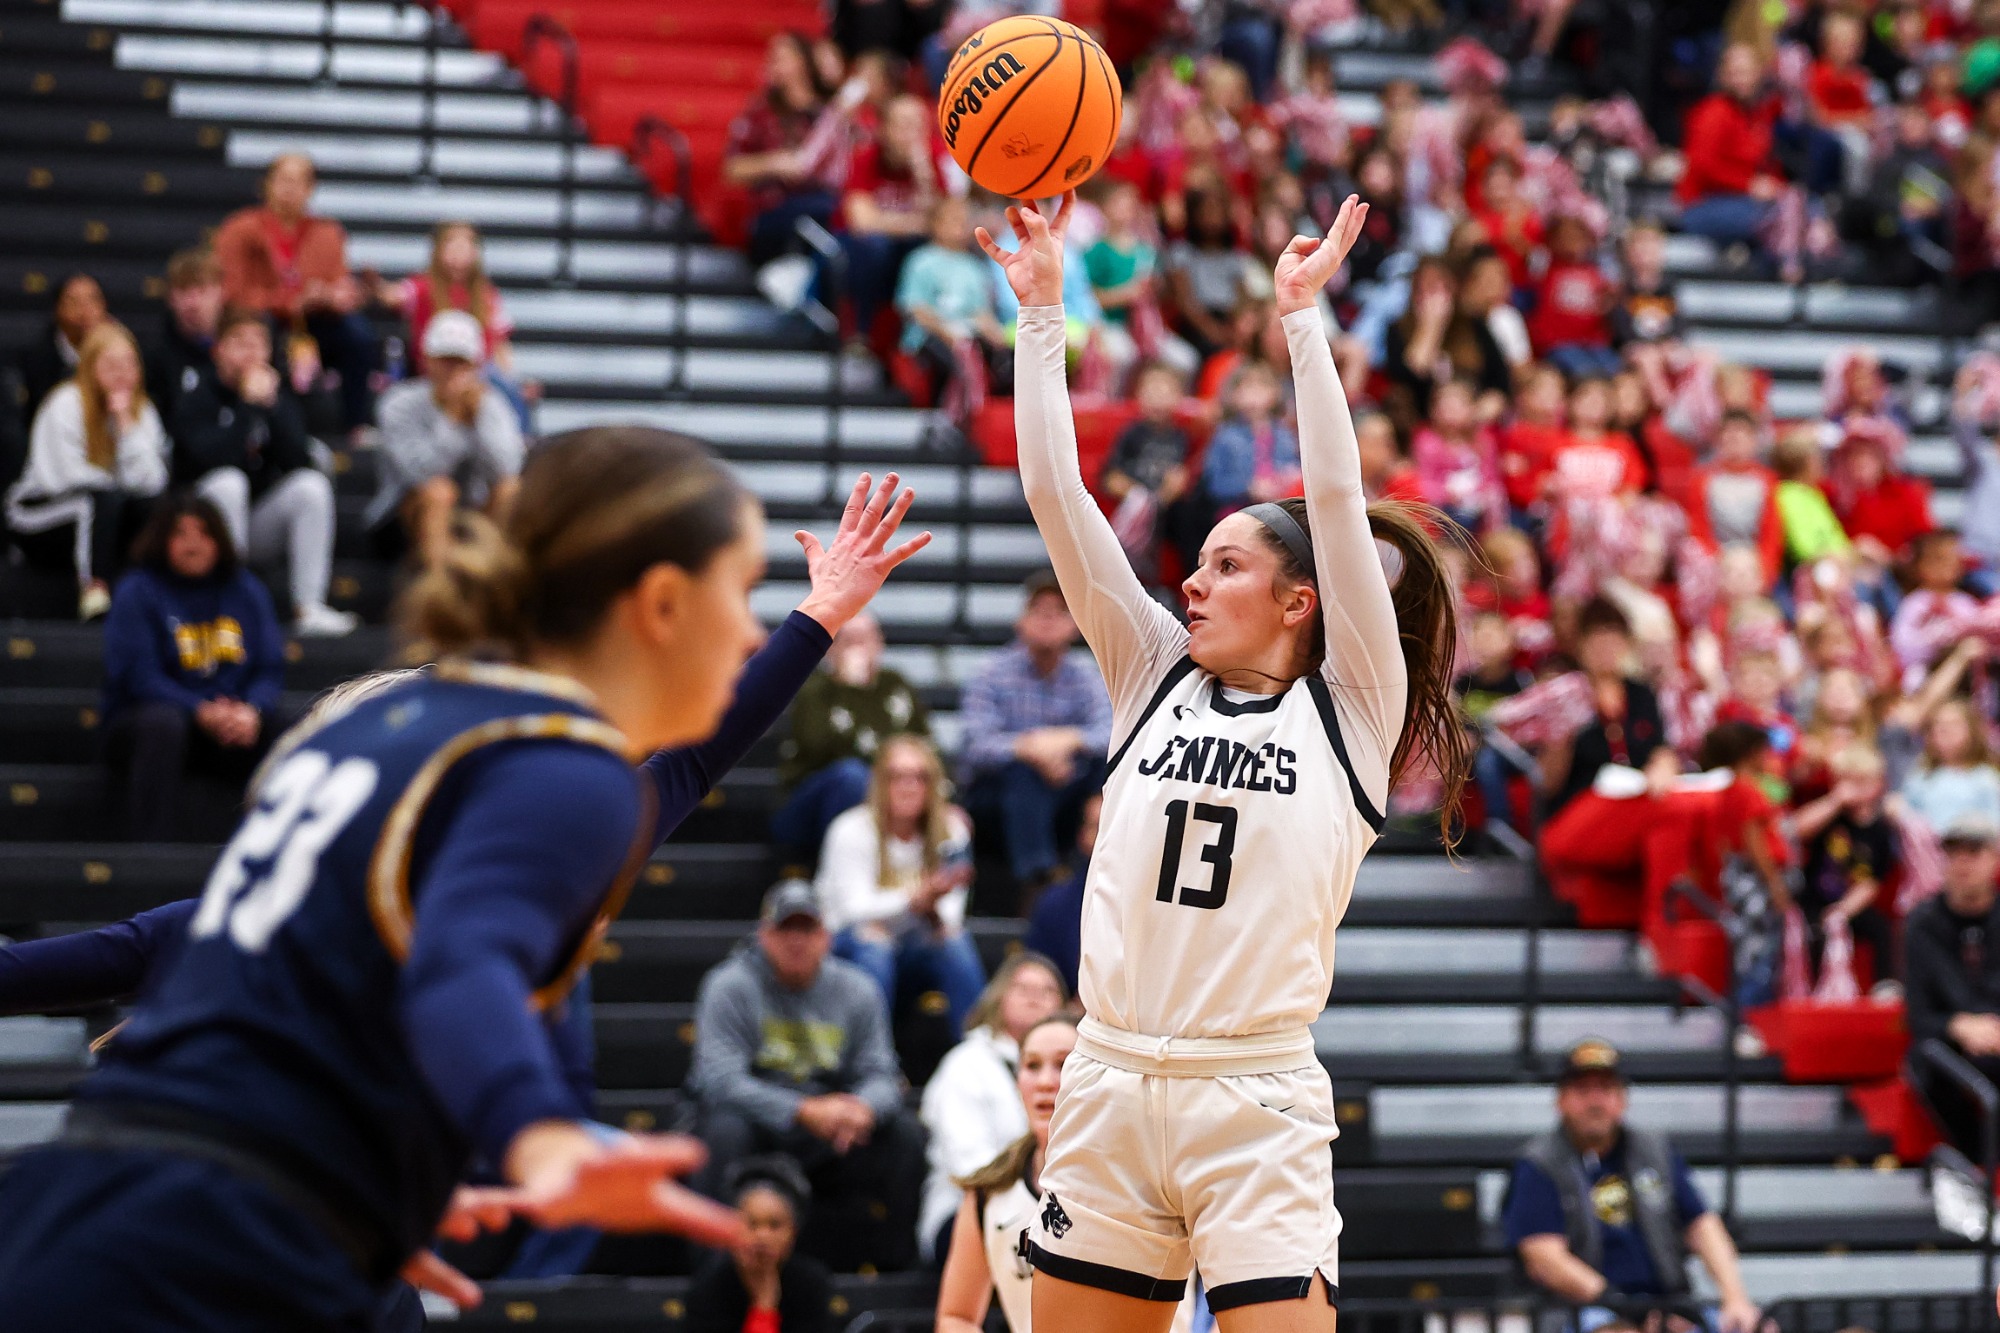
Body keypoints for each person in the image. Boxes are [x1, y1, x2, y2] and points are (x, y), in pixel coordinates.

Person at [0, 426, 935, 1328]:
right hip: (210, 1244)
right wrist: (543, 1133)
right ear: (658, 605)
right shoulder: (549, 764)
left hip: (101, 1208)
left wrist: (355, 1172)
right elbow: (462, 966)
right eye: (740, 593)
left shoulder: (390, 733)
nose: (745, 632)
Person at [984, 192, 1469, 1329]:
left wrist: (1301, 321)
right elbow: (1056, 497)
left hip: (1251, 1096)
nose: (1189, 584)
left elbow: (1338, 499)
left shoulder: (1350, 705)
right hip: (1105, 1079)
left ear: (1300, 602)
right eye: (1193, 565)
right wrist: (1043, 314)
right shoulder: (1147, 670)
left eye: (1225, 565)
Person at [687, 881, 927, 1272]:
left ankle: (895, 1271)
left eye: (808, 929)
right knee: (722, 1131)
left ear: (827, 937)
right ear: (764, 936)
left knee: (903, 1135)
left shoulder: (858, 990)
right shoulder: (729, 985)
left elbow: (883, 1073)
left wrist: (864, 1108)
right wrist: (802, 1110)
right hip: (759, 1122)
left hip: (833, 1130)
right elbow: (719, 1080)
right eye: (786, 930)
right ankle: (714, 1271)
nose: (796, 941)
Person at [1502, 1040, 1762, 1333]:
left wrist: (1734, 1296)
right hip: (1583, 1310)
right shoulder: (1539, 1164)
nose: (1595, 1101)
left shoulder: (1654, 1151)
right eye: (1582, 1091)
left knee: (1760, 1326)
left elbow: (1702, 1225)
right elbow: (1545, 1259)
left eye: (1606, 1089)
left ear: (1623, 1100)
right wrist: (1627, 1310)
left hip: (1669, 1303)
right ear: (1560, 1101)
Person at [100, 493, 288, 841]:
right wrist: (199, 711)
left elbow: (269, 668)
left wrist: (252, 710)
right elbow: (138, 676)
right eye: (180, 535)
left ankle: (274, 848)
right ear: (160, 540)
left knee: (287, 726)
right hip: (150, 725)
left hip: (229, 727)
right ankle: (151, 853)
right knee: (163, 724)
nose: (193, 545)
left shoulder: (246, 590)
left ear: (220, 541)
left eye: (204, 534)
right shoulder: (137, 590)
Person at [172, 310, 355, 637]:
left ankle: (309, 607)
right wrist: (248, 408)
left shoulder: (276, 396)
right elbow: (205, 460)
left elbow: (299, 459)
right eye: (240, 343)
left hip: (255, 523)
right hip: (200, 526)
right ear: (218, 350)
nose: (251, 353)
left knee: (311, 487)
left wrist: (273, 409)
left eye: (259, 344)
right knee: (230, 483)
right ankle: (231, 605)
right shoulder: (197, 393)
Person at [958, 570, 1114, 893]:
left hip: (1067, 785)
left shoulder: (1086, 676)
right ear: (1021, 621)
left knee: (1106, 772)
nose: (1048, 621)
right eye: (1039, 611)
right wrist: (1028, 749)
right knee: (1024, 775)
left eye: (1058, 612)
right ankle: (1038, 884)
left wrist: (1064, 741)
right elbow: (975, 743)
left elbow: (1110, 732)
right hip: (998, 796)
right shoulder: (991, 671)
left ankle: (1106, 877)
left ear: (1074, 625)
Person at [815, 733, 981, 1030]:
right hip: (845, 949)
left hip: (913, 948)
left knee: (955, 943)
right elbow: (853, 911)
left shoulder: (952, 831)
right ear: (880, 783)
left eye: (920, 777)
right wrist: (915, 900)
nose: (909, 787)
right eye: (897, 777)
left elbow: (951, 917)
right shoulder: (850, 829)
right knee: (873, 944)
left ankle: (981, 1050)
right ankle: (874, 1064)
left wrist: (930, 908)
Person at [4, 322, 169, 620]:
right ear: (90, 367)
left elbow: (153, 482)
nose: (122, 373)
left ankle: (146, 599)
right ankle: (94, 594)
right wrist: (117, 489)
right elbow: (61, 478)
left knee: (149, 507)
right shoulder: (64, 403)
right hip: (35, 515)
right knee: (97, 502)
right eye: (111, 364)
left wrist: (126, 427)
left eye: (129, 364)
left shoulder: (142, 412)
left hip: (103, 511)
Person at [918, 952, 1069, 1264]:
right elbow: (972, 1169)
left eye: (1047, 991)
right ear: (998, 996)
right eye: (1023, 989)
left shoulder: (1081, 1067)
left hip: (1058, 1207)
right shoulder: (965, 1064)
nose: (1035, 999)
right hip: (968, 1210)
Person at [213, 152, 379, 432]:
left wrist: (335, 296)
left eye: (298, 182)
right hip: (262, 317)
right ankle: (264, 418)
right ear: (267, 185)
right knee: (260, 332)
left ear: (310, 189)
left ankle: (355, 422)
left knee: (358, 336)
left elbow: (338, 282)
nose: (289, 189)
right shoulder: (240, 228)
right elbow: (233, 291)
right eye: (283, 180)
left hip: (314, 320)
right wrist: (289, 302)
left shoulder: (327, 232)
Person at [368, 311, 526, 565]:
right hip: (403, 516)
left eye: (461, 362)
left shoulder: (491, 404)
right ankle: (440, 590)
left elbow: (508, 468)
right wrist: (454, 419)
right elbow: (419, 473)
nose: (453, 371)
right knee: (440, 492)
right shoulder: (398, 403)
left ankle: (494, 577)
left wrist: (480, 417)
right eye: (445, 360)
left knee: (510, 492)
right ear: (428, 360)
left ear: (476, 366)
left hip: (474, 507)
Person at [772, 610, 928, 855]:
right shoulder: (816, 690)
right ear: (831, 649)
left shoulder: (895, 684)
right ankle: (842, 868)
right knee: (852, 776)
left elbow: (923, 745)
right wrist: (847, 688)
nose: (859, 648)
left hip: (884, 794)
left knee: (914, 782)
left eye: (866, 639)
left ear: (880, 644)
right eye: (849, 640)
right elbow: (818, 748)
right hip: (809, 802)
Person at [374, 221, 534, 433]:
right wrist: (377, 288)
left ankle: (521, 440)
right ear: (438, 250)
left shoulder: (487, 294)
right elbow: (395, 296)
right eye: (452, 245)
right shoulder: (422, 286)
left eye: (466, 246)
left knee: (510, 391)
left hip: (478, 373)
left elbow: (500, 344)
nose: (459, 253)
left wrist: (512, 379)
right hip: (433, 371)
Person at [1905, 814, 2000, 1159]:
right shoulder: (1923, 923)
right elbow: (1917, 1016)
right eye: (1953, 853)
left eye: (1973, 852)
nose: (1962, 864)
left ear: (1994, 858)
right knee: (1934, 1063)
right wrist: (1958, 1026)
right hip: (1947, 1050)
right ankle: (1979, 1168)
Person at [684, 1158, 834, 1333]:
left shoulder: (811, 1284)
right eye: (752, 1224)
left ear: (793, 1231)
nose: (762, 1236)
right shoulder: (708, 1288)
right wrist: (763, 1307)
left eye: (775, 1225)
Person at [1022, 794, 1102, 996]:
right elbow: (1038, 969)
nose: (1107, 837)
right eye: (1098, 827)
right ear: (1082, 836)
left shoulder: (1155, 903)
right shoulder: (1055, 903)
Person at [12, 272, 108, 427]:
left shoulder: (121, 354)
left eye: (92, 300)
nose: (85, 311)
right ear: (57, 308)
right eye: (74, 302)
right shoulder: (36, 359)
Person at [145, 249, 227, 418]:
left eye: (202, 290)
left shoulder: (242, 348)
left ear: (221, 293)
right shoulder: (155, 358)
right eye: (183, 291)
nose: (193, 303)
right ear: (171, 298)